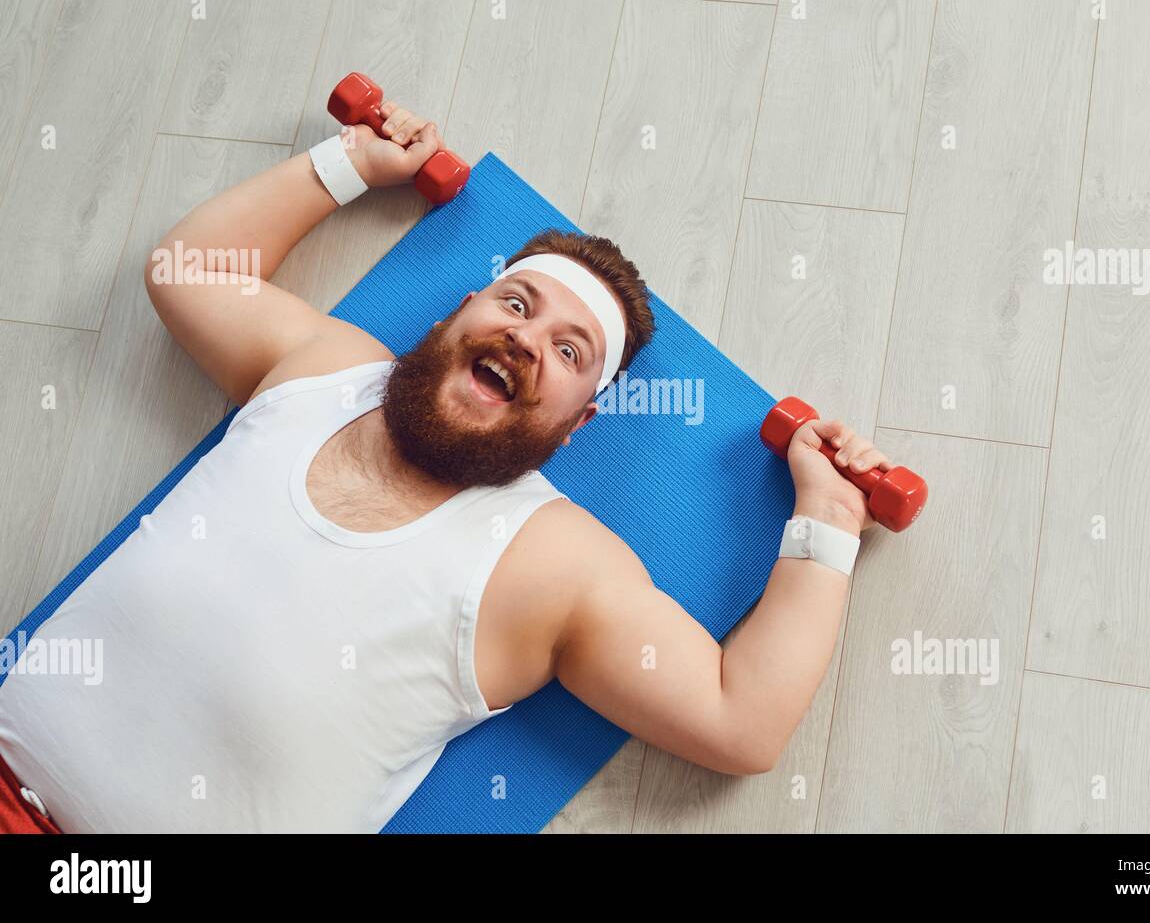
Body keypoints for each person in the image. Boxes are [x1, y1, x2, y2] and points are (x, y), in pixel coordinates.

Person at [0, 101, 893, 833]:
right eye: (516, 303)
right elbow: (186, 270)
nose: (526, 338)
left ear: (576, 425)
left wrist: (829, 519)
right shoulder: (325, 371)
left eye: (570, 349)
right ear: (457, 316)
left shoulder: (552, 564)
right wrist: (349, 161)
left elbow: (742, 723)